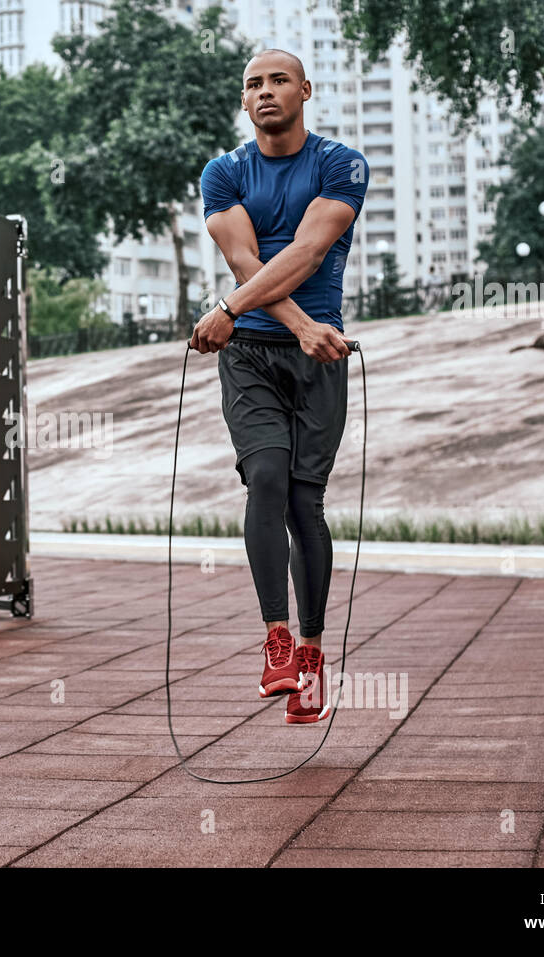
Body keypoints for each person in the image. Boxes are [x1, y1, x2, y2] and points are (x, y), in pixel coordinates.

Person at [190, 49, 369, 724]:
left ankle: (315, 655)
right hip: (254, 356)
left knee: (304, 502)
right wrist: (286, 323)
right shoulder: (225, 173)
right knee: (265, 475)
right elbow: (245, 259)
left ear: (305, 90)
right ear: (244, 101)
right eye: (252, 85)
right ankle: (277, 642)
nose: (264, 92)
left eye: (277, 81)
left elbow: (307, 252)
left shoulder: (340, 163)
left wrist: (236, 309)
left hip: (317, 356)